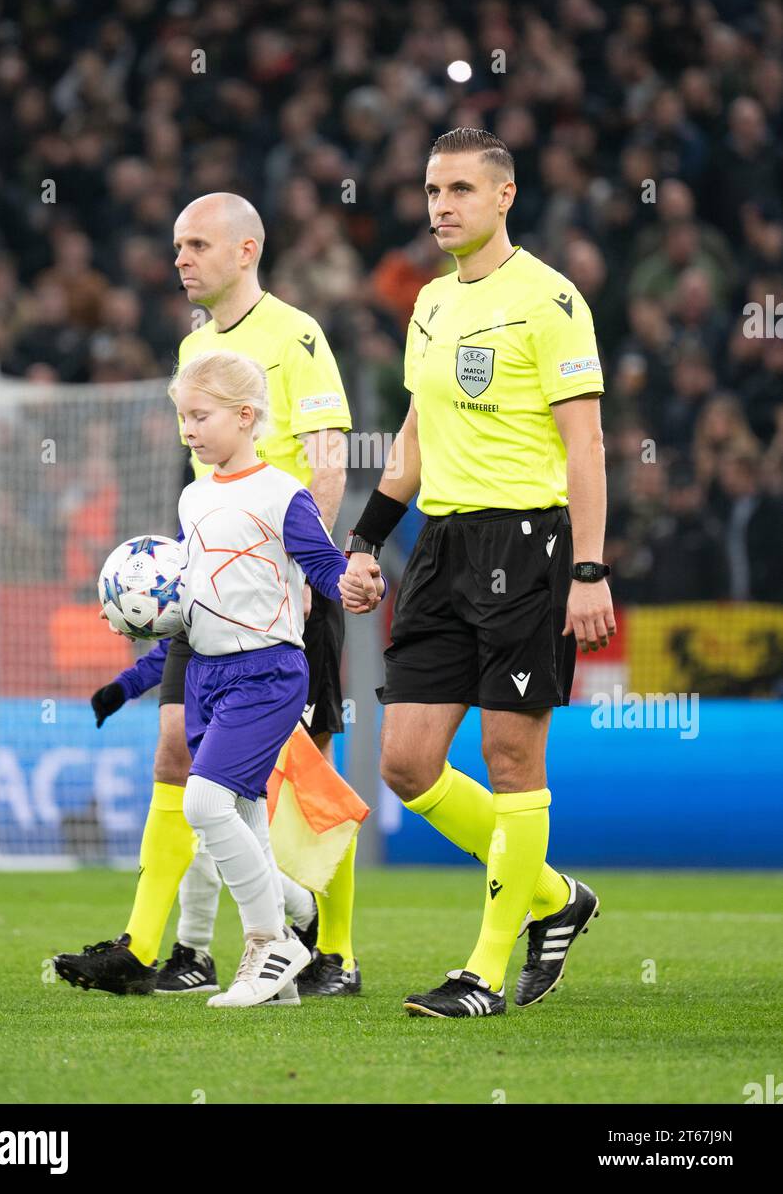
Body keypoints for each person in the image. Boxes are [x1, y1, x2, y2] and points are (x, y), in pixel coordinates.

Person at [54, 193, 362, 998]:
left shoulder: (297, 336)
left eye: (196, 244)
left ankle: (335, 951)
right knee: (180, 755)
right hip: (210, 589)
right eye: (177, 244)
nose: (181, 258)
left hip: (284, 583)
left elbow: (328, 460)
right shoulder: (197, 343)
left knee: (307, 772)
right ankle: (176, 949)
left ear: (246, 250)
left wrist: (297, 576)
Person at [342, 128, 615, 1018]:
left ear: (504, 196)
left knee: (508, 754)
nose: (440, 205)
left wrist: (588, 567)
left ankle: (484, 974)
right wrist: (364, 540)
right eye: (431, 190)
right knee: (407, 763)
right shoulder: (426, 303)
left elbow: (588, 446)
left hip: (529, 548)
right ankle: (552, 897)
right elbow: (415, 440)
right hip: (441, 549)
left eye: (460, 188)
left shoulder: (551, 300)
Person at [171, 352, 381, 1007]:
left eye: (201, 416)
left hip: (267, 672)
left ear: (245, 416)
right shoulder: (193, 496)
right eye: (182, 418)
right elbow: (198, 588)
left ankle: (273, 941)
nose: (189, 430)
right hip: (208, 674)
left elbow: (322, 564)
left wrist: (352, 582)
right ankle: (290, 942)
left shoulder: (282, 492)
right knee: (243, 816)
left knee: (203, 805)